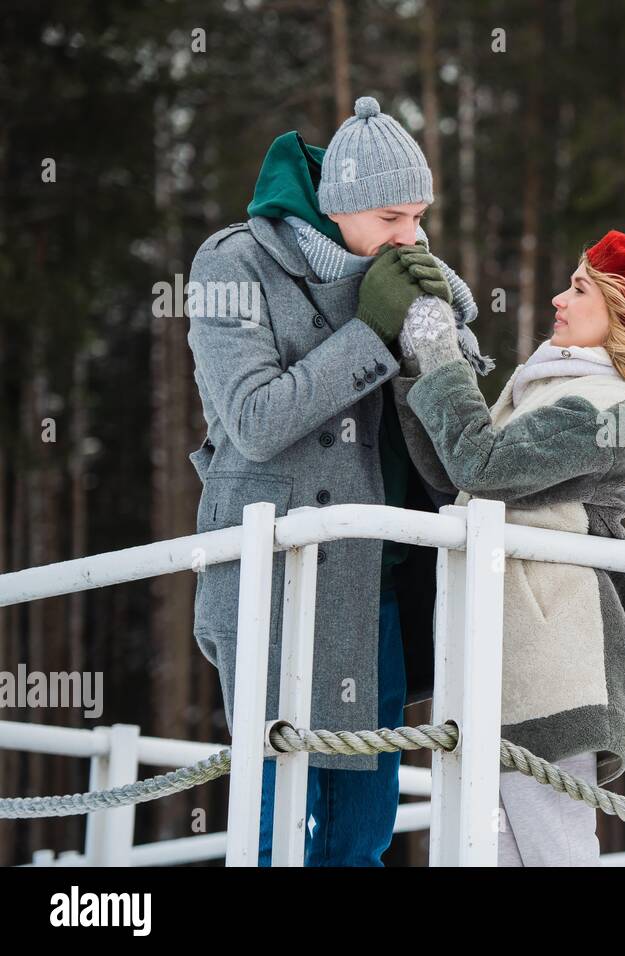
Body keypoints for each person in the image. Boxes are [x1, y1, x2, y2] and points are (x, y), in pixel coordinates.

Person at [185, 96, 492, 865]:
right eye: (394, 216)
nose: (412, 236)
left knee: (361, 835)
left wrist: (438, 340)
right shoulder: (233, 263)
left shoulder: (412, 283)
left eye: (420, 216)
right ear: (342, 207)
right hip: (272, 585)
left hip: (375, 585)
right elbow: (255, 418)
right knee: (267, 827)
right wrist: (370, 330)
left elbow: (455, 446)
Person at [390, 229, 625, 865]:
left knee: (553, 854)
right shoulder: (550, 385)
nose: (559, 298)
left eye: (579, 288)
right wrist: (418, 362)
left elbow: (481, 465)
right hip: (505, 659)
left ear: (620, 315)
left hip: (556, 668)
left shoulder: (608, 404)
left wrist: (443, 361)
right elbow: (454, 475)